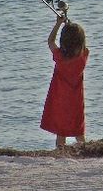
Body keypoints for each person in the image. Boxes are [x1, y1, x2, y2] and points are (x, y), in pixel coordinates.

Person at [40, 15, 89, 148]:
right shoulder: (83, 57)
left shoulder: (60, 57)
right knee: (79, 131)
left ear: (63, 41)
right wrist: (70, 25)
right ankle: (85, 152)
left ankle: (60, 153)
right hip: (76, 100)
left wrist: (58, 24)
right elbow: (83, 45)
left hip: (60, 99)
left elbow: (50, 41)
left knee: (61, 133)